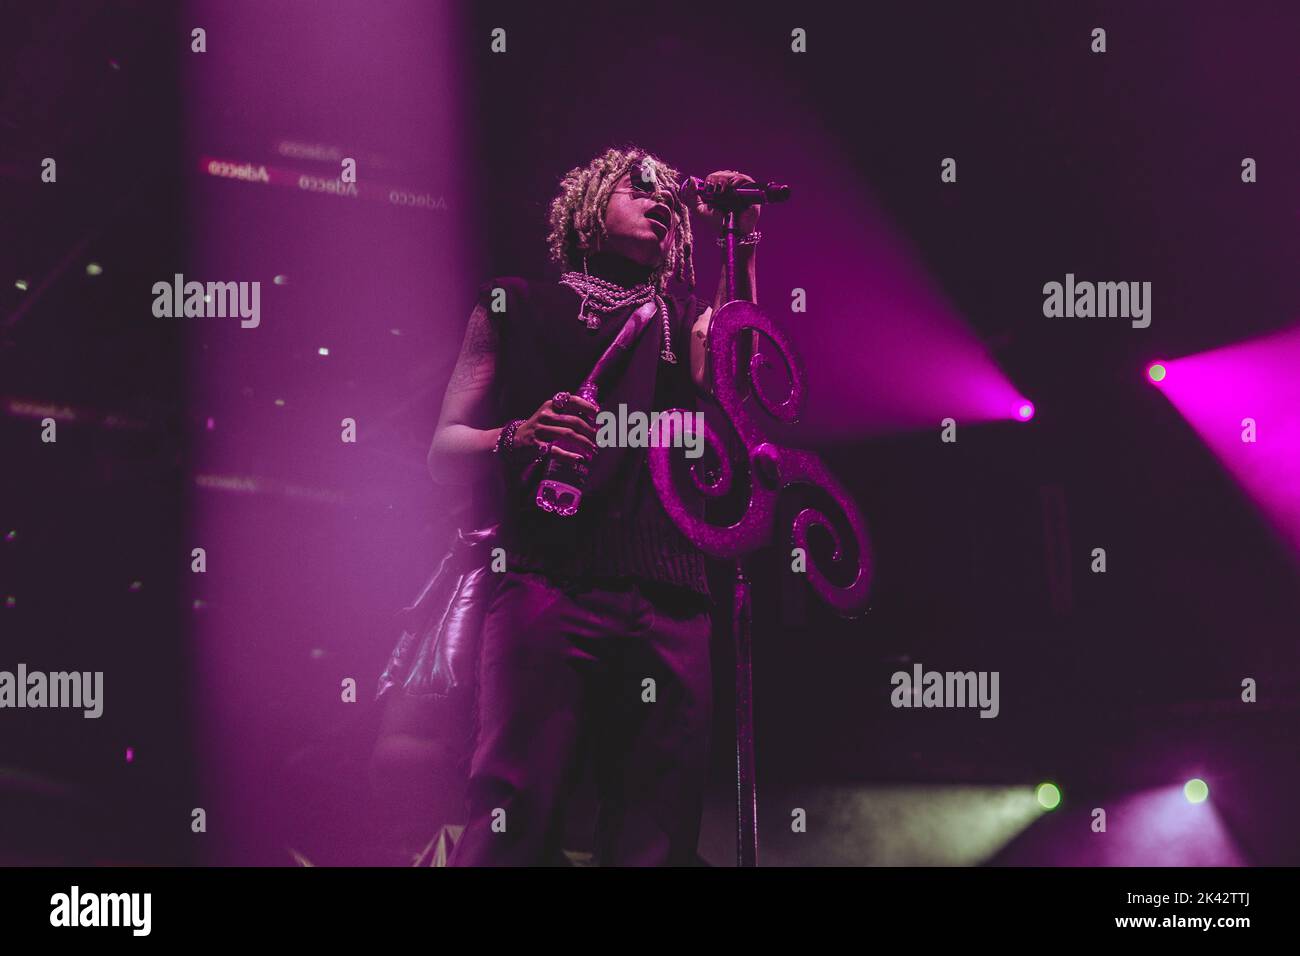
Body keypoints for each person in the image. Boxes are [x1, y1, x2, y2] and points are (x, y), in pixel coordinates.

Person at [428, 145, 759, 865]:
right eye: (638, 186)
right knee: (517, 803)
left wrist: (741, 234)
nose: (660, 198)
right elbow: (442, 450)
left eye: (671, 194)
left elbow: (744, 370)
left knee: (658, 823)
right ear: (585, 209)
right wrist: (517, 434)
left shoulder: (681, 316)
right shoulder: (512, 302)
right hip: (549, 580)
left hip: (673, 593)